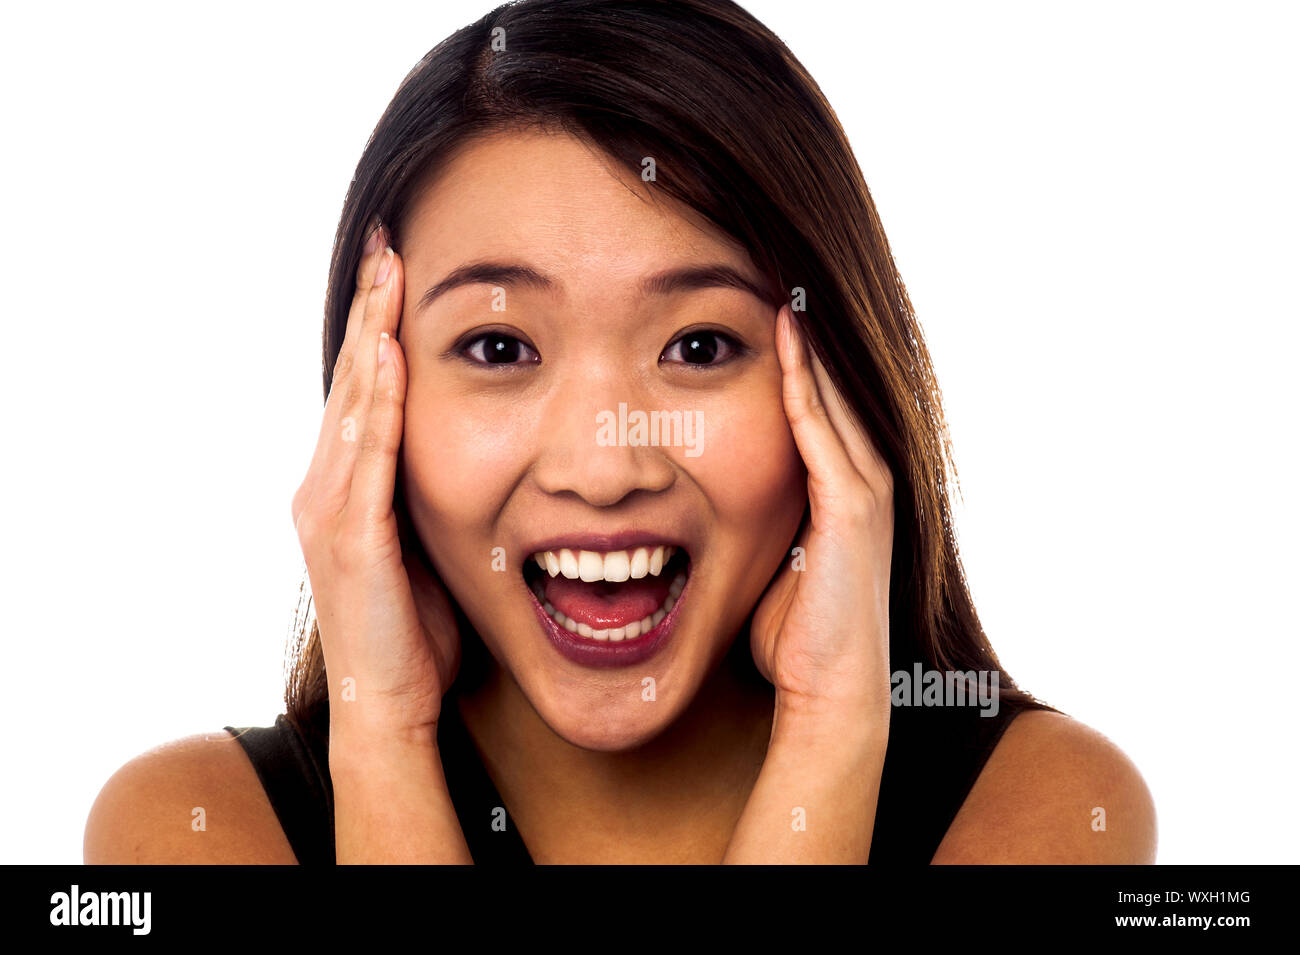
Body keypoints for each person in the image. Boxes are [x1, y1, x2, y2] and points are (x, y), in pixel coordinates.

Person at [84, 0, 1156, 864]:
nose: (603, 466)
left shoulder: (1044, 808)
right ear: (372, 399)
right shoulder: (187, 827)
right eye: (500, 349)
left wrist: (835, 733)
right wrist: (382, 737)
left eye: (697, 346)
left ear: (842, 380)